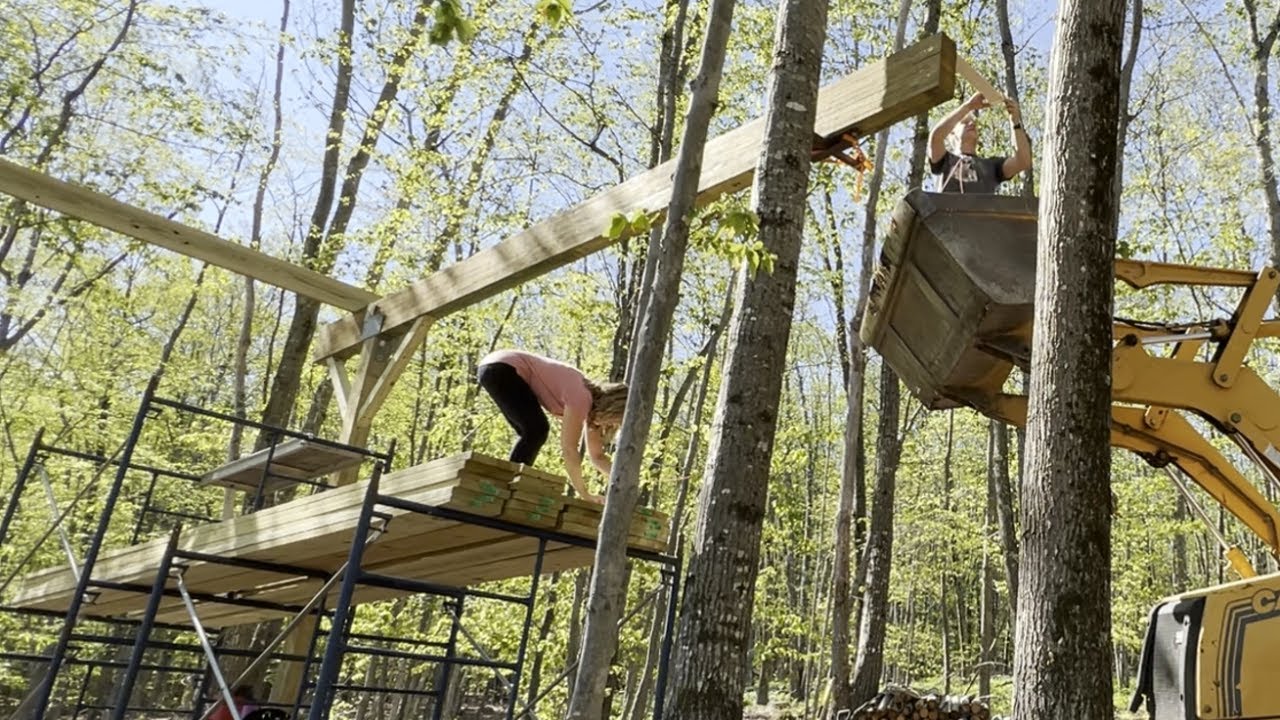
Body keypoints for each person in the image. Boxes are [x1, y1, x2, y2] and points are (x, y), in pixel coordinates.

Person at [477, 349, 628, 503]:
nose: (611, 425)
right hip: (502, 368)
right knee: (536, 430)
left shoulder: (590, 412)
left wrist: (624, 481)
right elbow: (569, 449)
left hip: (494, 368)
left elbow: (597, 456)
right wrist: (584, 494)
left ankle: (508, 483)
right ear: (611, 407)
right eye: (615, 419)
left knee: (531, 432)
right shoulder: (582, 397)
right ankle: (508, 485)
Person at [928, 92, 1032, 193]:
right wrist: (968, 106)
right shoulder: (944, 160)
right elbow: (935, 138)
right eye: (965, 122)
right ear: (952, 134)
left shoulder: (992, 166)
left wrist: (1015, 122)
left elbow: (1023, 161)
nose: (971, 124)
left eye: (973, 123)